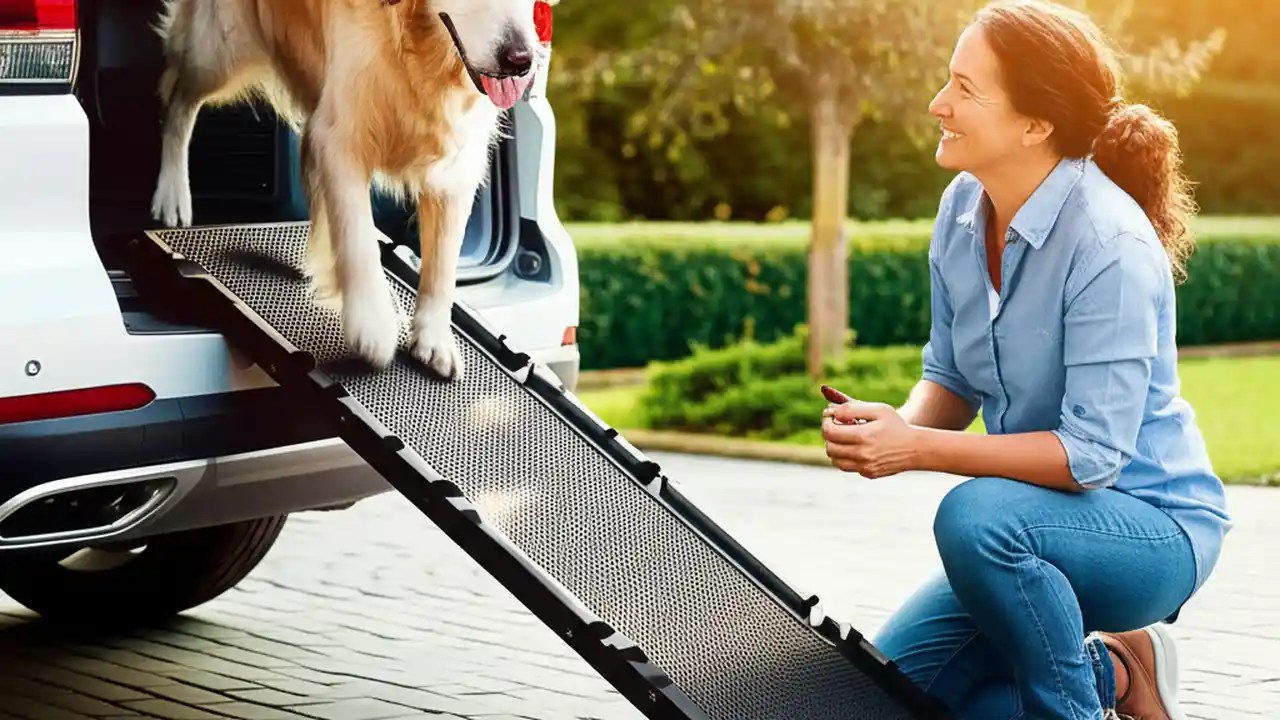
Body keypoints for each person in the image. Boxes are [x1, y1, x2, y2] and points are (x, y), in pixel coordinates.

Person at [818, 1, 1232, 719]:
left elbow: (1091, 456)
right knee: (871, 700)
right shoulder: (960, 210)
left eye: (964, 89)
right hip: (1031, 530)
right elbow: (951, 378)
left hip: (1150, 530)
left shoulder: (1109, 245)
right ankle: (1116, 671)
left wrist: (916, 449)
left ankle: (1073, 707)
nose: (938, 103)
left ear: (1036, 124)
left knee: (974, 518)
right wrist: (893, 426)